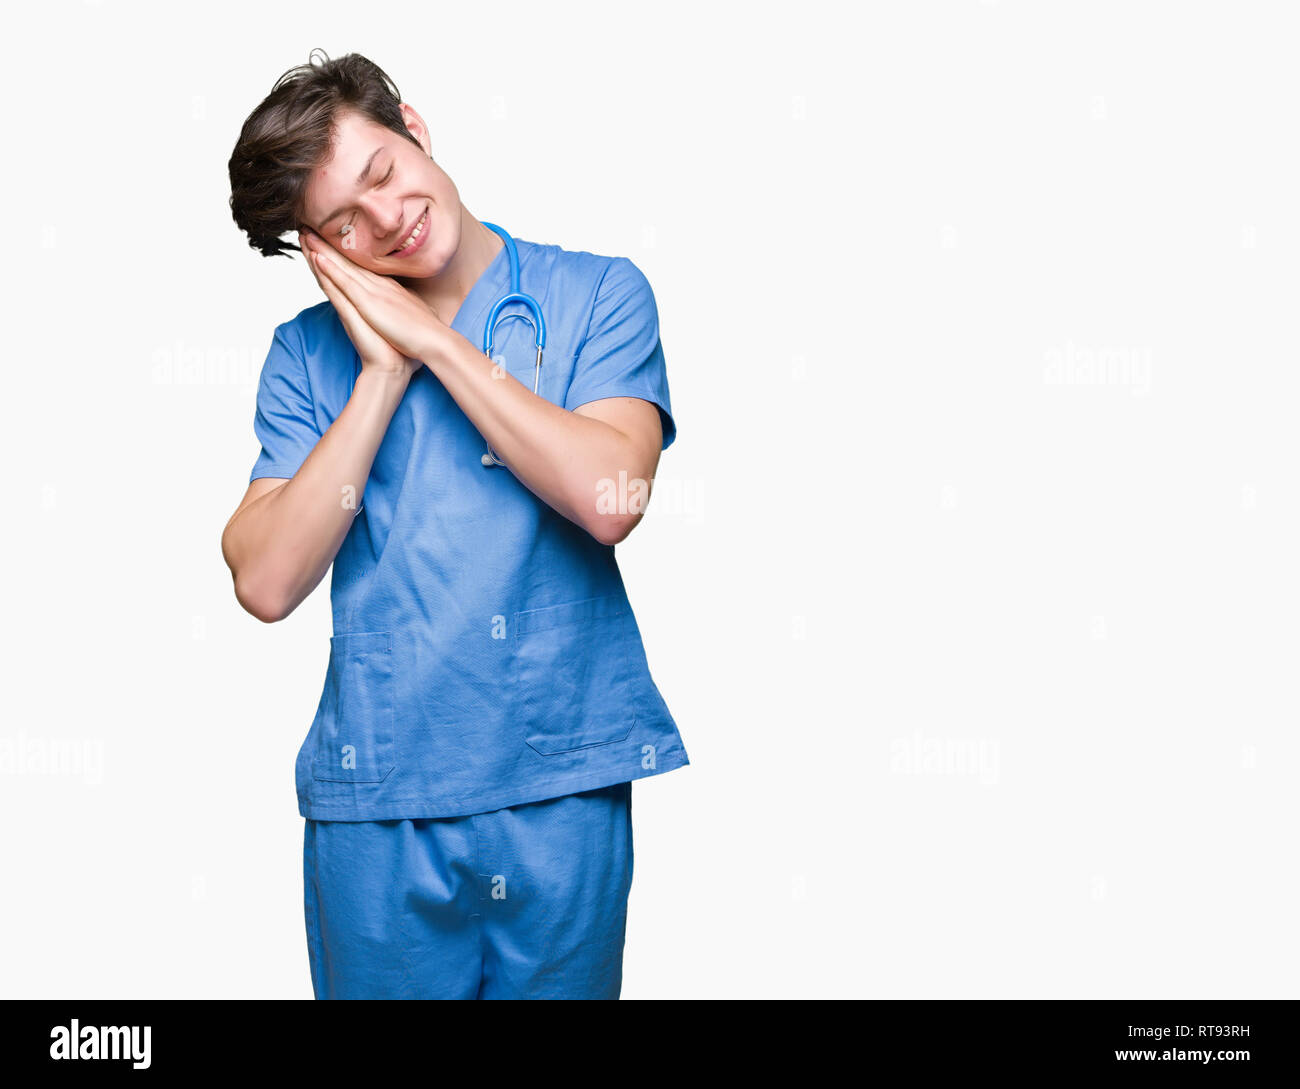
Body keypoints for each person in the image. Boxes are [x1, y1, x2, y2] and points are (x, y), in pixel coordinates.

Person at [221, 51, 689, 999]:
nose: (385, 221)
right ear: (315, 250)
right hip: (378, 807)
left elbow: (611, 501)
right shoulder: (307, 362)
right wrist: (382, 374)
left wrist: (436, 341)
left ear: (415, 127)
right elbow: (265, 582)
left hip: (559, 791)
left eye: (383, 174)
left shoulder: (596, 295)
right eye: (342, 222)